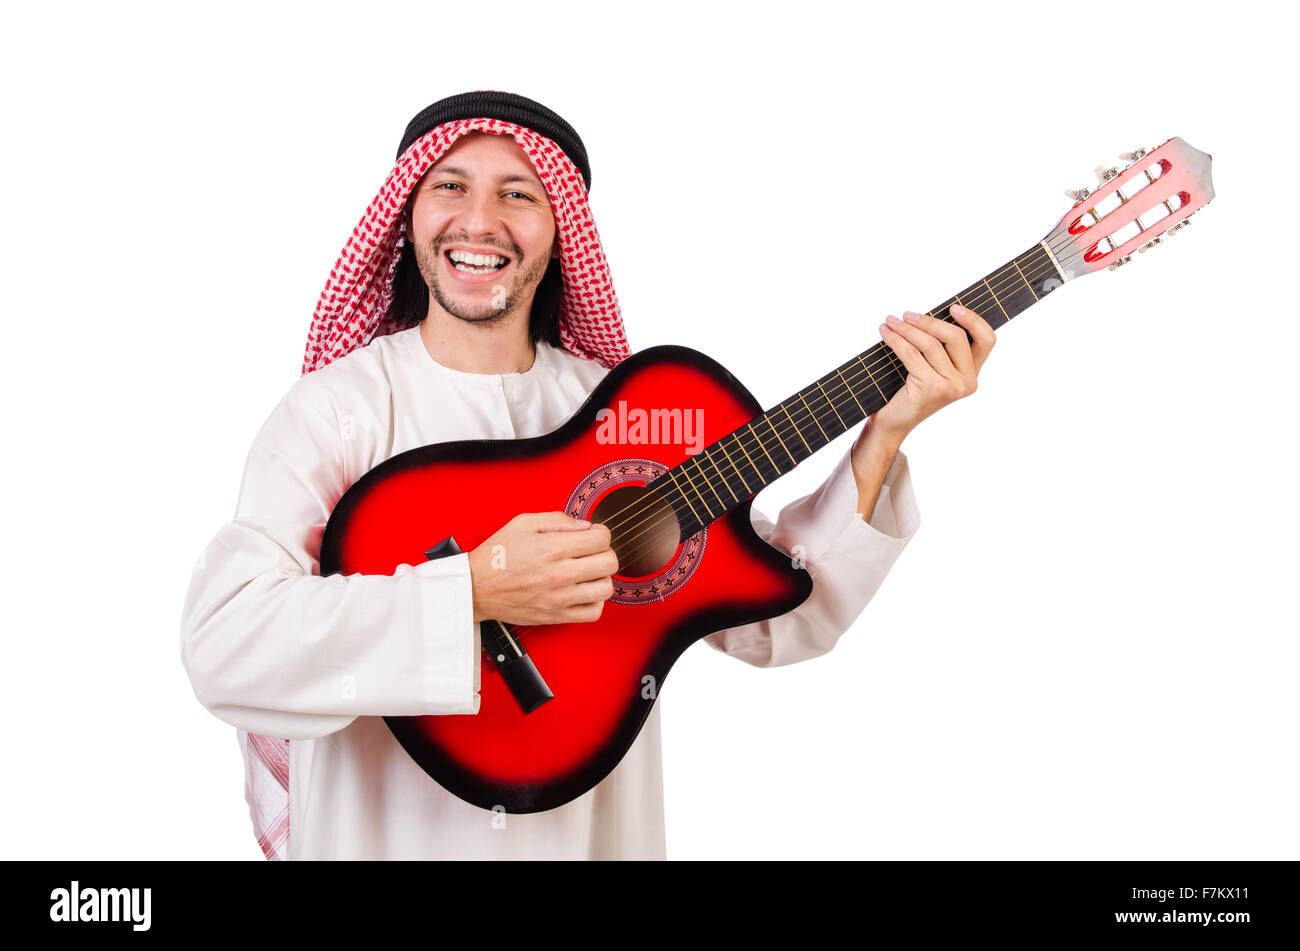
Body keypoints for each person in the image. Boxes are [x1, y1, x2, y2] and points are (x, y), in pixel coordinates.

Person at [179, 91, 995, 860]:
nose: (479, 220)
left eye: (519, 194)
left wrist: (883, 432)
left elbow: (776, 622)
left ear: (561, 225)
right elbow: (226, 643)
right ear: (409, 212)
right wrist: (472, 590)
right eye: (451, 185)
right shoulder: (338, 412)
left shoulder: (618, 419)